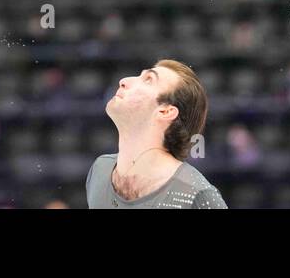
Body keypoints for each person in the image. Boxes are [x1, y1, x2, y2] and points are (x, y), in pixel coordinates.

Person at [85, 59, 227, 209]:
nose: (123, 81)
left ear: (165, 111)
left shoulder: (196, 195)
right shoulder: (100, 170)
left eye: (148, 80)